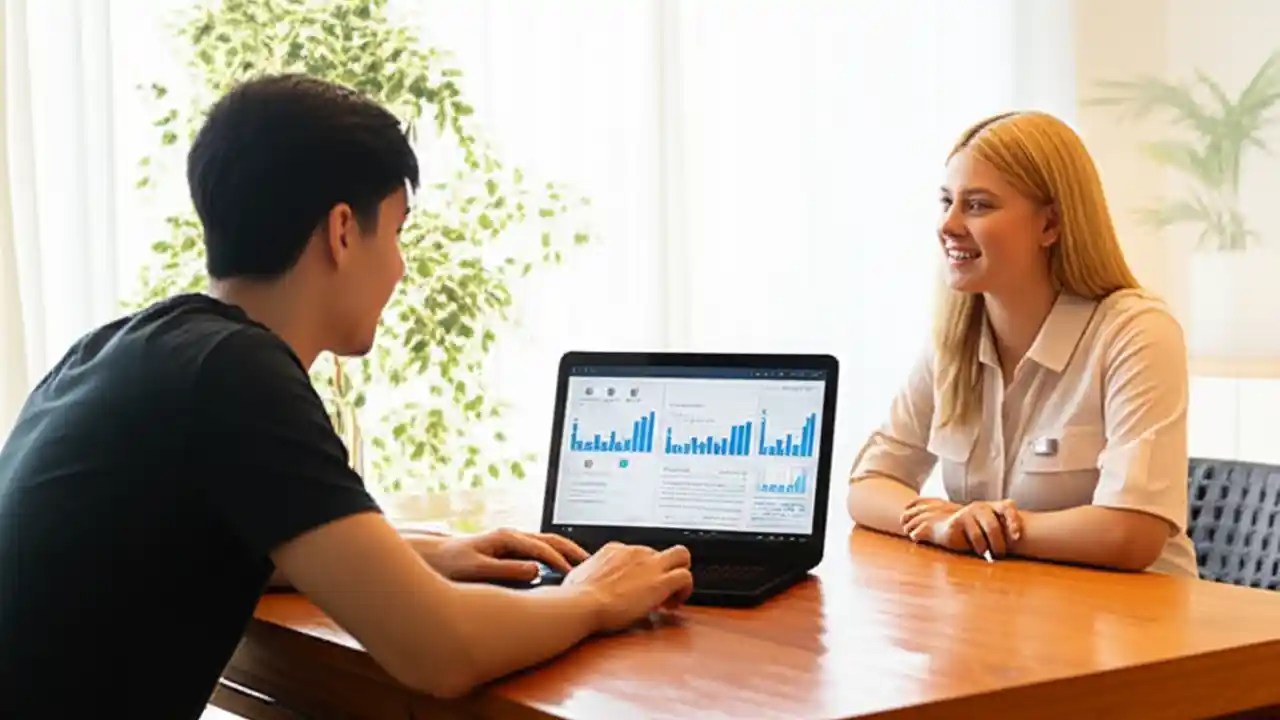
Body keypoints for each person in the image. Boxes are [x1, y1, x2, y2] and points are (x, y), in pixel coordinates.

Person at [0, 74, 693, 718]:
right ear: (340, 232)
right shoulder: (236, 374)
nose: (398, 265)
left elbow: (198, 545)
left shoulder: (128, 348)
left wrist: (418, 556)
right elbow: (439, 653)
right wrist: (596, 598)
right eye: (395, 232)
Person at [846, 110, 1197, 577]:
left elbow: (1132, 534)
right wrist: (939, 525)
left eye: (977, 205)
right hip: (1016, 615)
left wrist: (992, 529)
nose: (948, 225)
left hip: (1142, 628)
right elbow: (869, 484)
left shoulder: (1136, 332)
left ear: (1050, 225)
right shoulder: (955, 339)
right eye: (946, 201)